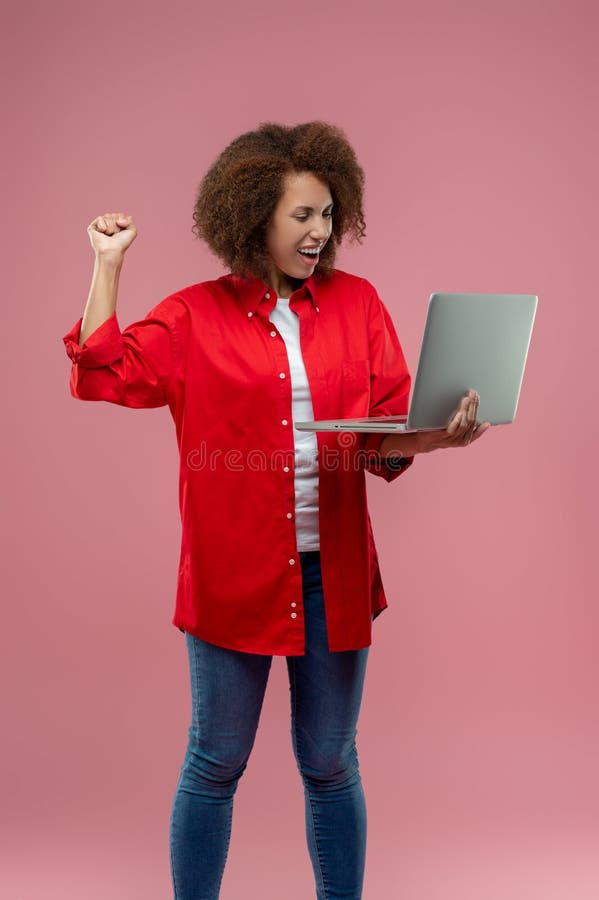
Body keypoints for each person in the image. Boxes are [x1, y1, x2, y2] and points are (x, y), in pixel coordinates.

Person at [62, 120, 490, 900]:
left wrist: (438, 437)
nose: (320, 232)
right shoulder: (194, 316)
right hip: (233, 579)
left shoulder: (358, 305)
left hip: (336, 574)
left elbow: (382, 434)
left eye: (328, 214)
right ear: (254, 214)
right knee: (215, 761)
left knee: (331, 763)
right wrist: (107, 263)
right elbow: (103, 369)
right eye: (302, 215)